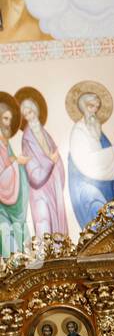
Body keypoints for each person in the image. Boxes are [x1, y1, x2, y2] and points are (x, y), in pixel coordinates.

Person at [67, 89, 114, 229]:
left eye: (96, 107)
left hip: (103, 182)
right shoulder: (78, 130)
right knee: (97, 209)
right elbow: (87, 161)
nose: (94, 111)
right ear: (83, 107)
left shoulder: (97, 129)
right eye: (91, 106)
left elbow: (108, 154)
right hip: (84, 184)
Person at [17, 92, 68, 237]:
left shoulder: (44, 132)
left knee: (58, 230)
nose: (30, 117)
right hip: (40, 191)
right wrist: (50, 162)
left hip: (53, 186)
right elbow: (34, 175)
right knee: (44, 223)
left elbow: (56, 155)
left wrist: (56, 168)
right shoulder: (26, 139)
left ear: (37, 111)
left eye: (31, 112)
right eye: (26, 115)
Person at [0, 96, 29, 253]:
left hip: (12, 207)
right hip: (2, 211)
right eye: (5, 118)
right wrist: (17, 163)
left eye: (10, 119)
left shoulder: (6, 142)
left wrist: (15, 162)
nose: (8, 123)